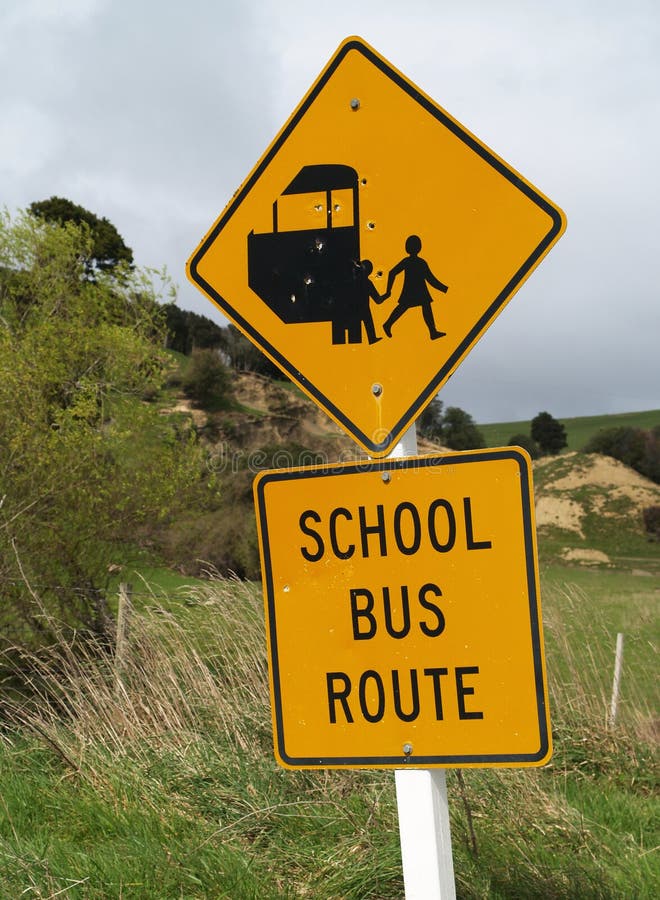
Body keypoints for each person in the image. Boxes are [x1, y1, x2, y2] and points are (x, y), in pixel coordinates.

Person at [381, 235, 448, 340]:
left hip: (419, 290)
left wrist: (389, 290)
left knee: (424, 307)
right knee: (404, 307)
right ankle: (387, 324)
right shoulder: (418, 262)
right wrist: (445, 289)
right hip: (413, 290)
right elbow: (430, 279)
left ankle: (433, 332)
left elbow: (430, 279)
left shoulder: (414, 262)